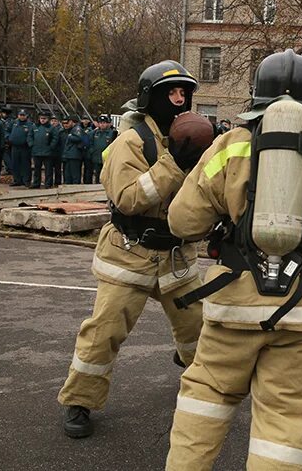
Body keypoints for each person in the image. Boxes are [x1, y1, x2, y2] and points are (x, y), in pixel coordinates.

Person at [165, 49, 302, 470]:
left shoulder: (228, 147)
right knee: (286, 418)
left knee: (206, 399)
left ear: (256, 98)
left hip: (234, 303)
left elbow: (183, 221)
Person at [58, 60, 206, 439]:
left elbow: (207, 194)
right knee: (104, 330)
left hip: (178, 257)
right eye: (171, 93)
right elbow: (127, 199)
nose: (180, 100)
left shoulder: (192, 138)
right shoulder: (132, 140)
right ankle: (80, 401)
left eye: (184, 93)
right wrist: (174, 163)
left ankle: (207, 394)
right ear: (151, 97)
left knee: (199, 331)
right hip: (131, 252)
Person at [29, 111, 59, 189]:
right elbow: (30, 136)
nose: (42, 120)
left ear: (48, 119)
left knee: (48, 170)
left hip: (47, 153)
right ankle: (36, 183)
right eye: (41, 118)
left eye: (44, 118)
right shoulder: (35, 126)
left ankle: (48, 184)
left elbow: (55, 138)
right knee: (36, 169)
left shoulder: (51, 128)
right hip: (36, 151)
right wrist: (31, 144)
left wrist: (51, 147)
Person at [7, 109, 34, 187]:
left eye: (23, 115)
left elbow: (31, 135)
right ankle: (17, 180)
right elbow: (7, 131)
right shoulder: (13, 123)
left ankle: (26, 180)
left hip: (25, 147)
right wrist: (8, 138)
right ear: (18, 115)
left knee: (25, 165)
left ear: (26, 116)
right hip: (14, 147)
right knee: (15, 164)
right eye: (20, 115)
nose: (22, 117)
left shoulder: (30, 124)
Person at [90, 115, 117, 183]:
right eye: (100, 123)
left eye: (104, 123)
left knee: (106, 175)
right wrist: (92, 151)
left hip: (106, 158)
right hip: (97, 157)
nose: (102, 124)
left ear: (107, 123)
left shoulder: (112, 133)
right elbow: (90, 142)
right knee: (97, 175)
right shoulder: (95, 133)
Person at [61, 115, 84, 184]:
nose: (66, 124)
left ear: (71, 121)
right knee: (68, 174)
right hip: (70, 155)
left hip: (75, 155)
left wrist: (70, 136)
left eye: (68, 122)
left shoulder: (77, 128)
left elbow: (79, 138)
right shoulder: (71, 129)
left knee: (75, 175)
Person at [81, 116, 96, 184]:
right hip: (80, 150)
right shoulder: (79, 128)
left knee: (88, 169)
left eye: (86, 119)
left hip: (88, 151)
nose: (85, 121)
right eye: (84, 119)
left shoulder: (93, 129)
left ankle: (87, 182)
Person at [50, 115, 64, 186]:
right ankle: (49, 182)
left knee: (58, 169)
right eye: (52, 121)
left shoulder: (61, 130)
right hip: (50, 152)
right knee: (49, 169)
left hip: (58, 152)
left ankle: (57, 182)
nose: (53, 122)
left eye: (55, 121)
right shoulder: (48, 129)